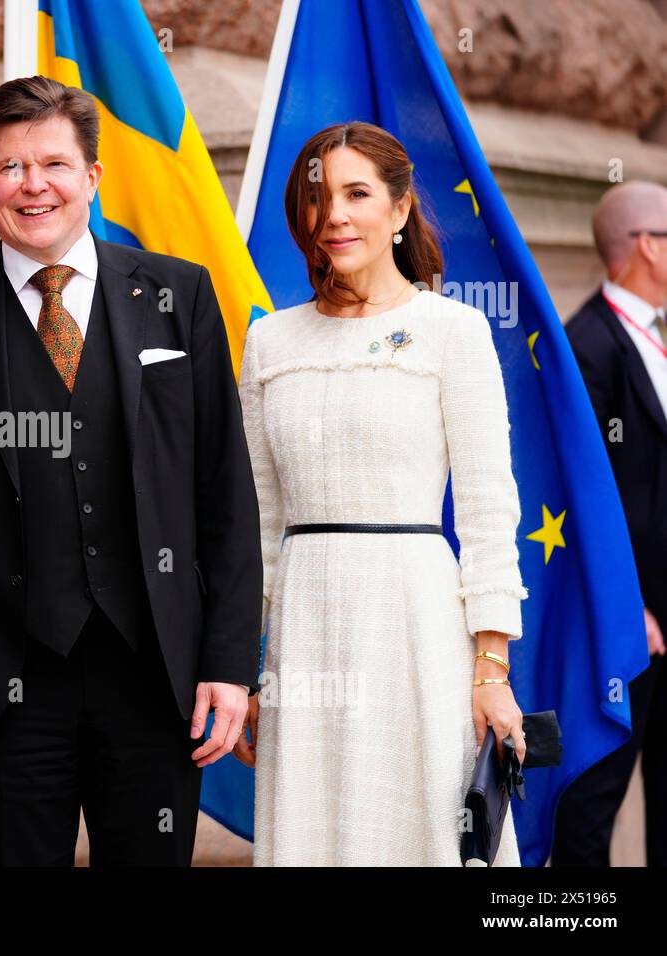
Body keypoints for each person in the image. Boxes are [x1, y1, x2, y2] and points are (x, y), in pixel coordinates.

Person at [0, 76, 263, 866]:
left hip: (156, 679)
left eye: (53, 163)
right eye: (11, 167)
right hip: (1, 689)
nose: (33, 185)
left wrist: (229, 663)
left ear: (93, 175)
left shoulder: (177, 295)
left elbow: (224, 495)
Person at [234, 121, 528, 865]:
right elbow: (258, 524)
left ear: (399, 210)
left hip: (418, 627)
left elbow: (491, 512)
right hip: (304, 634)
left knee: (420, 830)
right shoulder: (269, 341)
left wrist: (491, 672)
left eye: (357, 193)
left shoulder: (453, 331)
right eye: (317, 197)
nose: (334, 215)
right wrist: (249, 672)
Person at [554, 180, 667, 867]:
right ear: (650, 246)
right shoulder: (587, 345)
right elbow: (587, 497)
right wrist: (630, 609)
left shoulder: (653, 335)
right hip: (629, 630)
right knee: (593, 807)